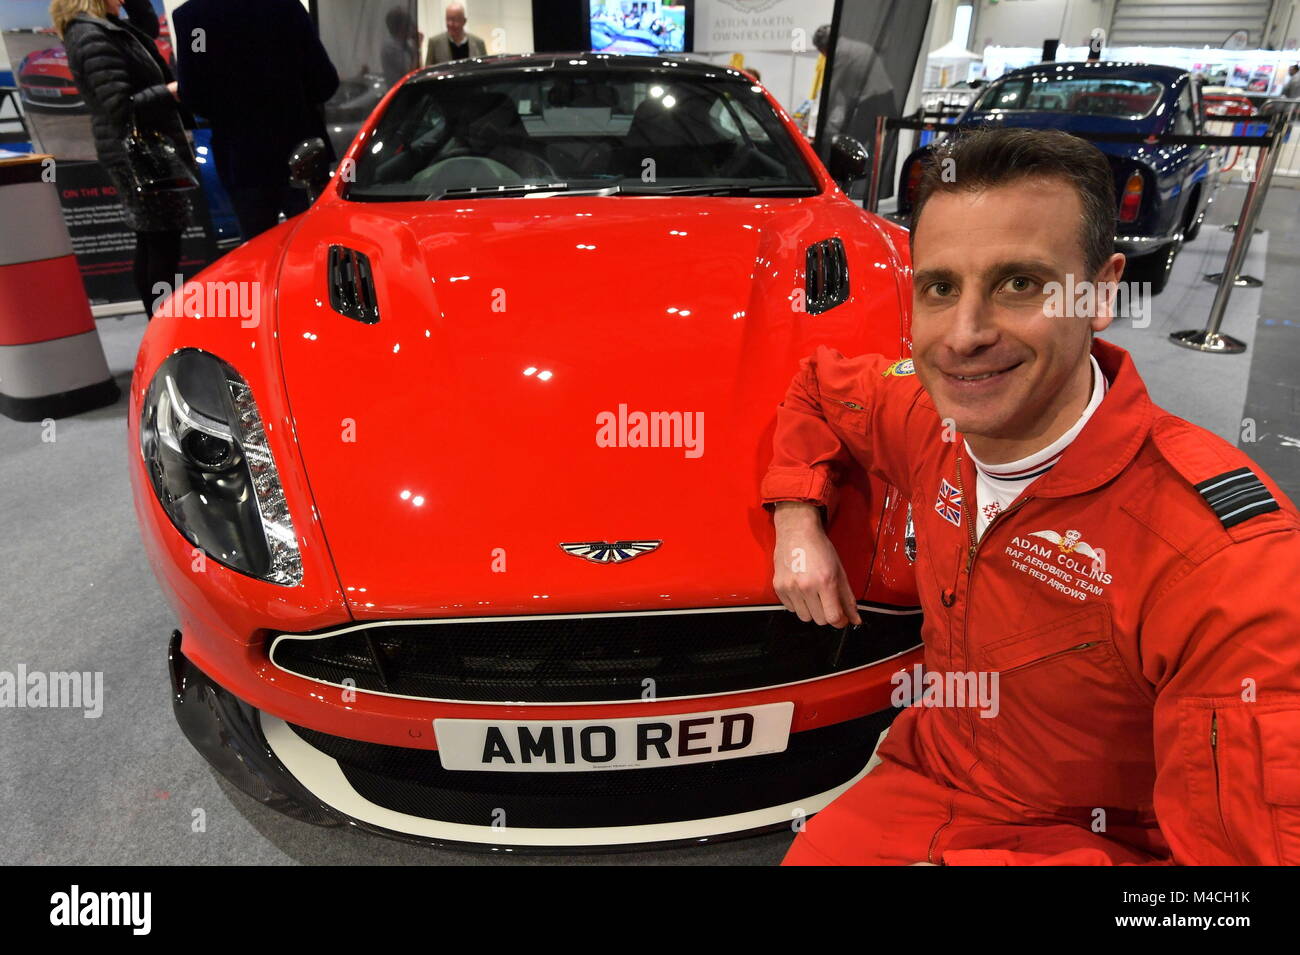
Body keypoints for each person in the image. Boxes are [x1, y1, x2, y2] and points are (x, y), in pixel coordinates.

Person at [763, 127, 1300, 865]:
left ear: (1102, 290)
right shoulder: (925, 416)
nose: (964, 335)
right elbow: (818, 390)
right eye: (940, 286)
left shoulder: (1229, 566)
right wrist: (798, 518)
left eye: (1020, 283)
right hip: (934, 774)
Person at [54, 0, 197, 319]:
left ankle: (163, 323)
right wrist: (170, 90)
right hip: (137, 153)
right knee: (161, 245)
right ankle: (166, 324)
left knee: (156, 240)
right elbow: (118, 106)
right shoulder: (91, 34)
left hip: (142, 149)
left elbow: (145, 26)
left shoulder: (105, 27)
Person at [173, 0, 338, 241]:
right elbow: (324, 81)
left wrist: (229, 112)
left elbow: (193, 95)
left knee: (258, 252)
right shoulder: (286, 7)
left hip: (241, 155)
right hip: (300, 149)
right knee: (313, 246)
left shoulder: (193, 18)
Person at [381, 7, 421, 89]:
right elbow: (410, 74)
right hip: (399, 94)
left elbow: (418, 68)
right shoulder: (391, 46)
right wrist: (417, 47)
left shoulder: (405, 44)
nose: (413, 27)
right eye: (409, 23)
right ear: (402, 27)